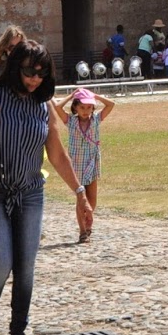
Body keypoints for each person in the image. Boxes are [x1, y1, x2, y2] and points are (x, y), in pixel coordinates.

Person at [0, 40, 92, 335]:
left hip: (29, 192)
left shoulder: (43, 106)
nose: (34, 79)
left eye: (41, 74)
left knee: (25, 268)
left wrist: (80, 192)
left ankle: (18, 332)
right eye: (29, 71)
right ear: (15, 67)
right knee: (1, 264)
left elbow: (56, 153)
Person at [53, 87, 115, 244]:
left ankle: (88, 221)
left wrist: (95, 96)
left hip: (92, 161)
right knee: (81, 198)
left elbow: (111, 104)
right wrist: (72, 95)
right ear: (75, 107)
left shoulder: (96, 119)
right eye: (82, 107)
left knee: (92, 198)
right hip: (77, 163)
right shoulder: (71, 121)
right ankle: (82, 230)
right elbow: (57, 107)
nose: (85, 111)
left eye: (89, 107)